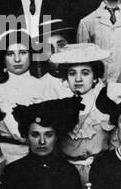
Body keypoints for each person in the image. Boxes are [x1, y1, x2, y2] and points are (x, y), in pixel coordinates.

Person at [0, 29, 63, 165]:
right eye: (10, 54)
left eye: (23, 53)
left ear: (31, 55)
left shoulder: (45, 85)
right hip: (4, 155)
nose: (17, 59)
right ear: (3, 58)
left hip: (40, 153)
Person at [49, 43, 114, 181]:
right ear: (66, 78)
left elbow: (116, 140)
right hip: (67, 173)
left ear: (95, 77)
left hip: (102, 170)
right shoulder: (57, 104)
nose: (78, 79)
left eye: (85, 73)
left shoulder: (107, 102)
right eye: (72, 73)